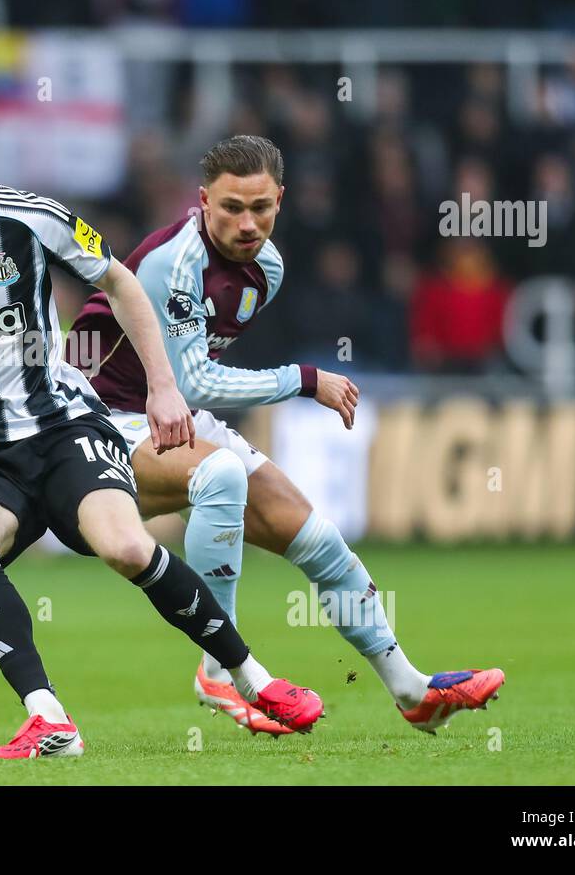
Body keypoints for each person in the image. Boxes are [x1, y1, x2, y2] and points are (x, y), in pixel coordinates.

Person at [0, 70, 322, 759]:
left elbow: (119, 283)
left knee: (124, 547)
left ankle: (251, 677)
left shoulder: (33, 218)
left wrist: (163, 386)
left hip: (60, 426)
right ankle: (47, 716)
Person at [68, 135, 505, 735]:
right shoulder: (176, 261)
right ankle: (220, 672)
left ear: (281, 200)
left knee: (321, 541)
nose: (248, 224)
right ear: (202, 201)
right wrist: (305, 380)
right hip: (92, 418)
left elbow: (190, 380)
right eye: (231, 208)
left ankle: (411, 690)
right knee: (217, 475)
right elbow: (191, 375)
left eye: (261, 208)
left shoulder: (265, 268)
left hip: (170, 417)